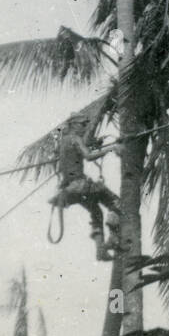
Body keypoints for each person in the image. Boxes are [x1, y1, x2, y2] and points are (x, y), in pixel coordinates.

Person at [48, 112, 120, 262]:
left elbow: (73, 156)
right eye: (82, 125)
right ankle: (113, 238)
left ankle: (100, 250)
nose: (85, 128)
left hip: (70, 190)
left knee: (96, 212)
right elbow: (88, 156)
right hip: (82, 186)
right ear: (74, 125)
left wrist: (95, 146)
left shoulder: (63, 142)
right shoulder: (75, 138)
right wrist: (111, 148)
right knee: (115, 202)